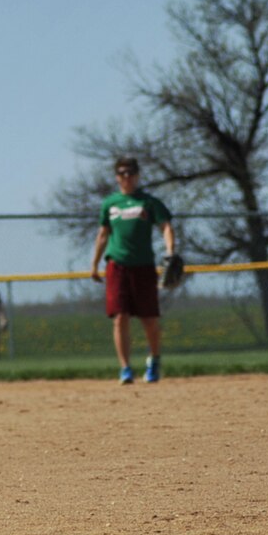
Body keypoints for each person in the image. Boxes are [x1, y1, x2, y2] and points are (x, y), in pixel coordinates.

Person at [90, 156, 176, 385]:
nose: (126, 177)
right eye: (121, 173)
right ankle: (125, 368)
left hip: (143, 265)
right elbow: (103, 234)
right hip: (117, 265)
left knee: (149, 319)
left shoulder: (148, 202)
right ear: (116, 177)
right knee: (119, 317)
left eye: (130, 173)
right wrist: (95, 263)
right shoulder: (110, 203)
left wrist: (170, 251)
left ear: (137, 176)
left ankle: (154, 360)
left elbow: (166, 226)